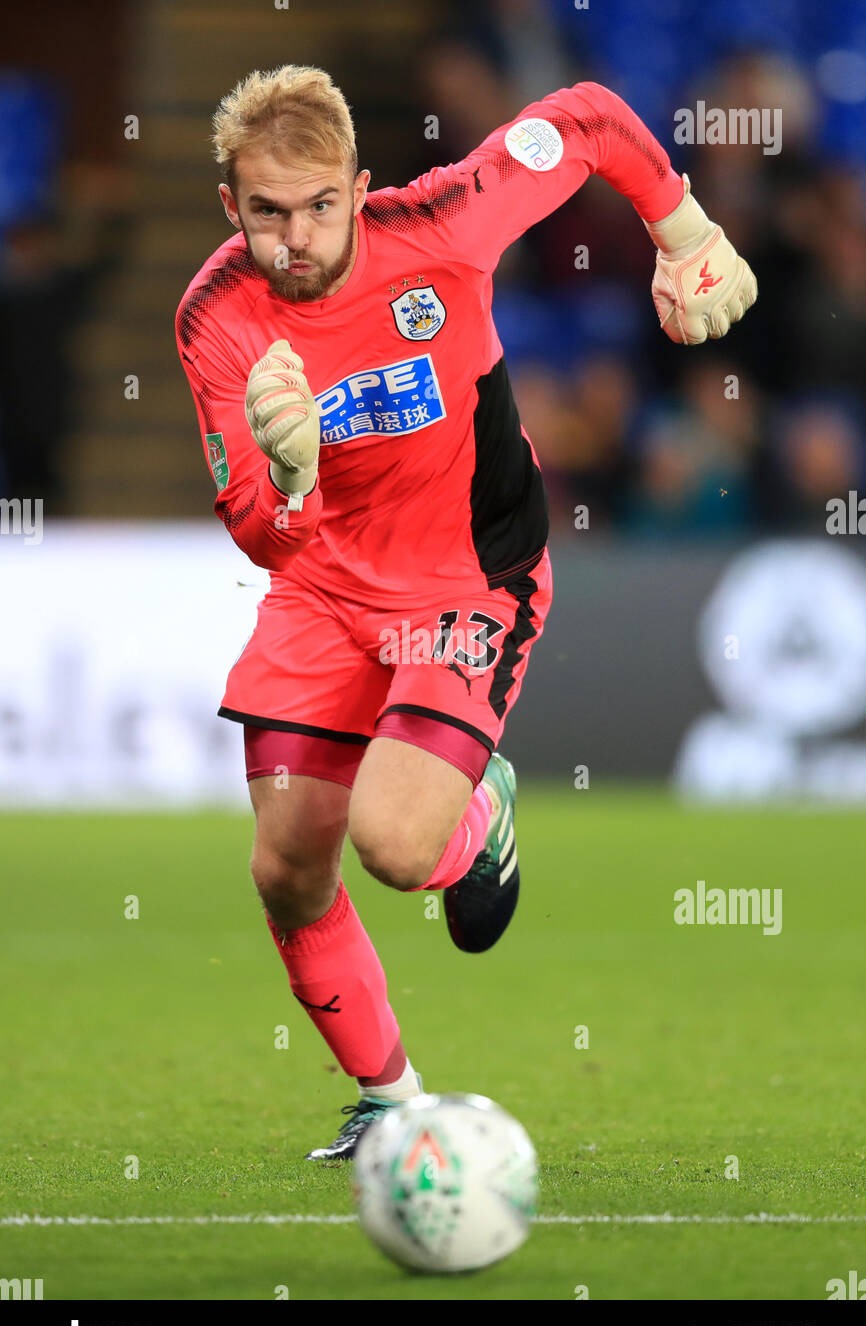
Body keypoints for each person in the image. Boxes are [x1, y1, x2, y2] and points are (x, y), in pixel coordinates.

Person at [175, 65, 756, 1160]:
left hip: (466, 578)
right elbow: (254, 531)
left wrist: (683, 231)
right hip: (323, 585)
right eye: (265, 212)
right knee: (286, 865)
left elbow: (583, 118)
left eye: (318, 206)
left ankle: (472, 818)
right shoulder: (215, 316)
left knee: (392, 844)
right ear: (228, 206)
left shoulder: (445, 221)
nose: (293, 238)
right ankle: (391, 1100)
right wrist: (289, 480)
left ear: (360, 185)